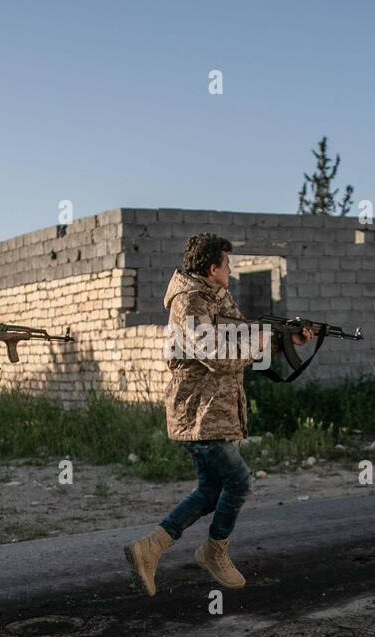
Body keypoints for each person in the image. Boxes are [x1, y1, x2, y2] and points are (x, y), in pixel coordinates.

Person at [123, 233, 313, 596]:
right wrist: (259, 342)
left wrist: (283, 340)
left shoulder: (216, 295)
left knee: (211, 491)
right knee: (239, 481)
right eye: (227, 263)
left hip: (218, 411)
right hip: (198, 412)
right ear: (212, 268)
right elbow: (215, 355)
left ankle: (150, 548)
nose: (231, 269)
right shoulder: (190, 301)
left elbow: (239, 343)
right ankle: (214, 551)